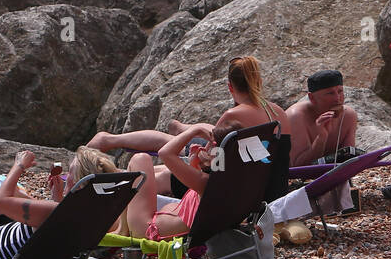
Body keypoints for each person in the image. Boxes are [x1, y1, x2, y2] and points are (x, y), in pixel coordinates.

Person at [83, 55, 287, 194]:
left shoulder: (232, 115)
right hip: (269, 187)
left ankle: (112, 158)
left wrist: (200, 158)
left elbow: (214, 165)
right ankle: (179, 131)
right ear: (257, 81)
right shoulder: (278, 112)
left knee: (168, 170)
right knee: (173, 163)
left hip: (232, 187)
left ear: (230, 87)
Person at [282, 69, 358, 166]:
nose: (337, 98)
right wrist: (321, 138)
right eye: (330, 93)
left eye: (340, 91)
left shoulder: (348, 116)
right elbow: (298, 167)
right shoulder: (296, 116)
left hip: (331, 176)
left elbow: (348, 160)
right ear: (312, 98)